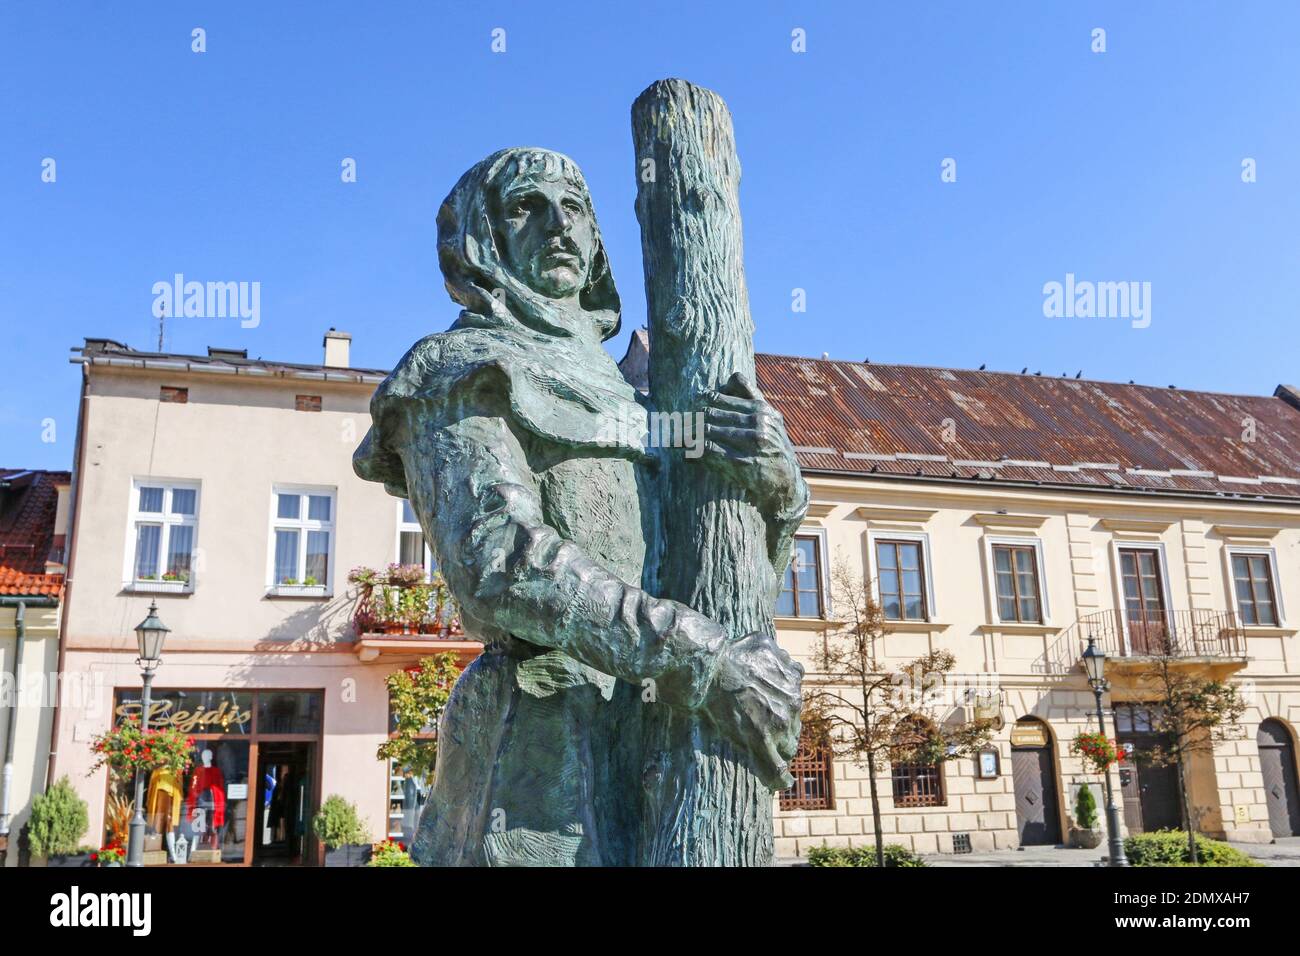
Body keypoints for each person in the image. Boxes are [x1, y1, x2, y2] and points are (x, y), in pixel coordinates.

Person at [354, 147, 804, 866]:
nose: (559, 225)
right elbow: (498, 562)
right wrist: (706, 659)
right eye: (527, 207)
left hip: (660, 742)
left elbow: (722, 567)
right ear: (483, 241)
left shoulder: (646, 396)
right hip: (538, 758)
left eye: (576, 209)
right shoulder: (454, 370)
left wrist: (777, 485)